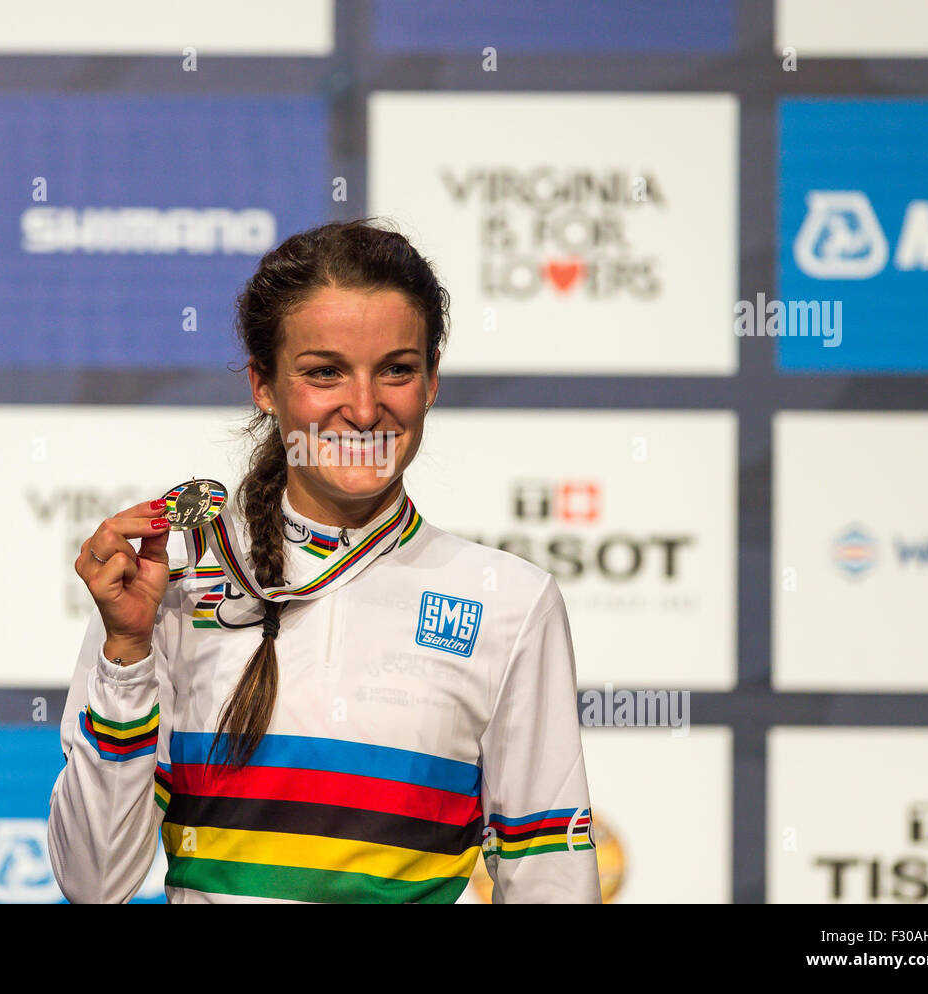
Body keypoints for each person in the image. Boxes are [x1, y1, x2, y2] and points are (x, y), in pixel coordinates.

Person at [47, 218, 600, 904]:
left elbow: (551, 880)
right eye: (324, 373)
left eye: (396, 370)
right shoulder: (178, 580)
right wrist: (125, 651)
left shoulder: (508, 602)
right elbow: (91, 882)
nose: (364, 410)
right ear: (264, 385)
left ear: (431, 383)